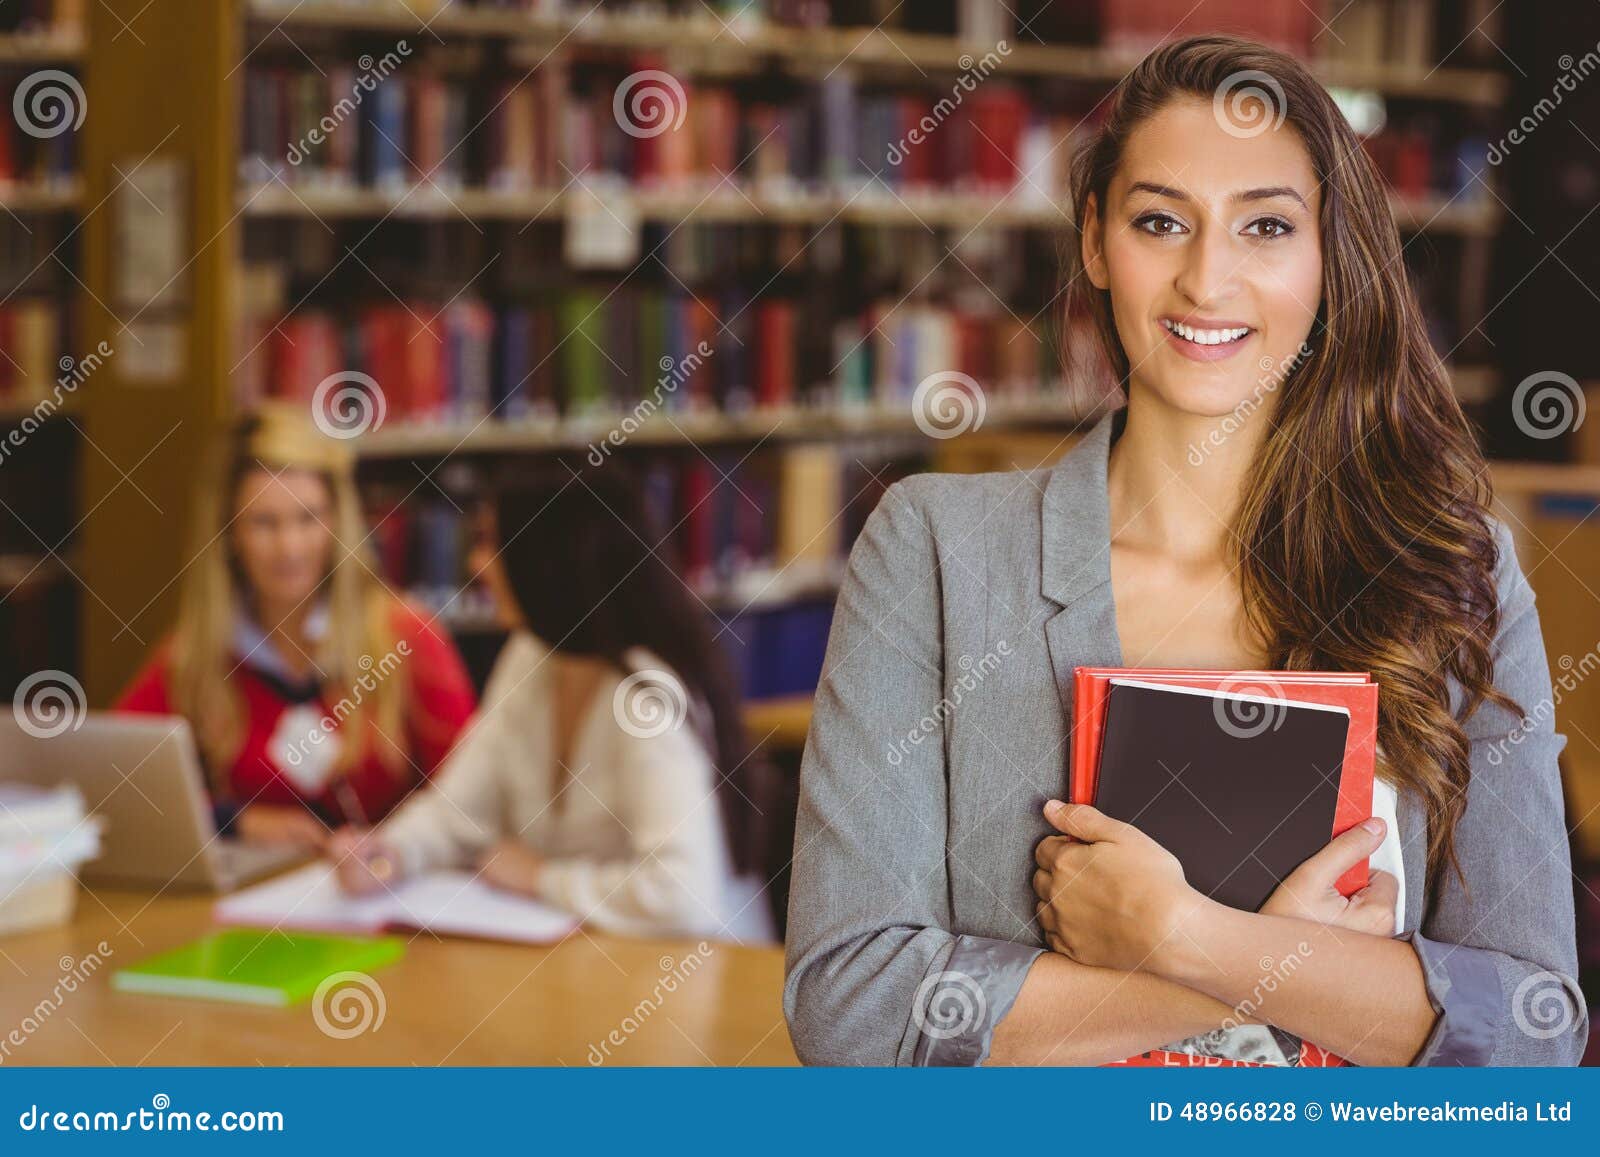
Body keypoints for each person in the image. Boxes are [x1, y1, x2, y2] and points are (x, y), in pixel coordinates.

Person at [783, 36, 1588, 1067]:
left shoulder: (1449, 566)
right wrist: (1280, 972)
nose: (1206, 278)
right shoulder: (937, 549)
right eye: (1160, 221)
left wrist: (1185, 936)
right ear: (1093, 242)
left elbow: (1534, 1030)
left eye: (1265, 226)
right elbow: (849, 1008)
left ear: (1327, 256)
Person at [329, 463, 769, 941]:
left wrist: (542, 878)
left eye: (493, 544)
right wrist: (392, 852)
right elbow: (457, 810)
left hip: (687, 977)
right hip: (579, 960)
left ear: (548, 562)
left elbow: (683, 897)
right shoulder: (530, 658)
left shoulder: (645, 697)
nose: (477, 563)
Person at [117, 404, 477, 851]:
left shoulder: (407, 637)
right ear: (230, 535)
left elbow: (474, 801)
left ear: (337, 524)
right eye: (264, 523)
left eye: (308, 519)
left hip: (386, 892)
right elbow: (115, 782)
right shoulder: (197, 653)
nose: (289, 547)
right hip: (256, 898)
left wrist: (394, 847)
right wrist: (231, 820)